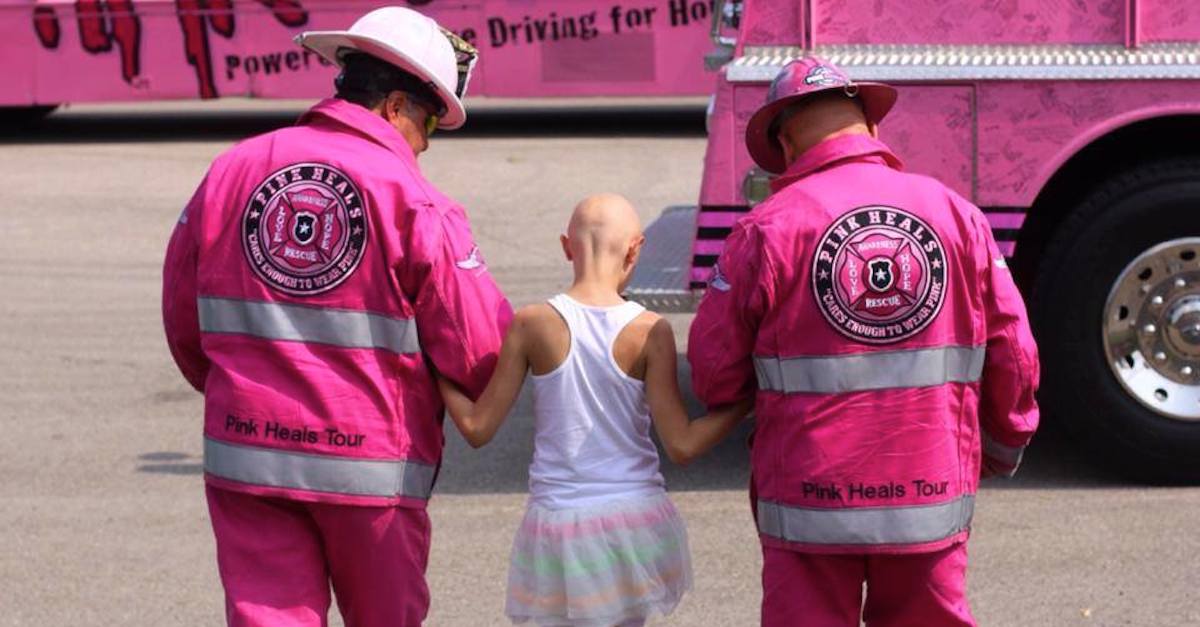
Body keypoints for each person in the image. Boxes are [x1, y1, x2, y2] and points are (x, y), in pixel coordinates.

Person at [161, 7, 510, 626]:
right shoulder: (418, 201)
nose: (426, 143)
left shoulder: (232, 169)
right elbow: (479, 348)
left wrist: (236, 391)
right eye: (428, 123)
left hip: (249, 455)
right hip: (372, 469)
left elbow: (184, 317)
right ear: (396, 106)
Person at [687, 57, 1040, 626]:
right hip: (929, 497)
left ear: (784, 140)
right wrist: (1005, 442)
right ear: (870, 128)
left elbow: (714, 371)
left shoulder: (766, 229)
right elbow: (1014, 347)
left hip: (808, 506)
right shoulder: (957, 215)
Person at [437, 193, 752, 626]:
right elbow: (682, 444)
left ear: (567, 246)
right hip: (635, 520)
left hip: (559, 524)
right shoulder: (650, 330)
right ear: (635, 248)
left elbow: (476, 427)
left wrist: (433, 368)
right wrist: (748, 398)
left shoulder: (531, 323)